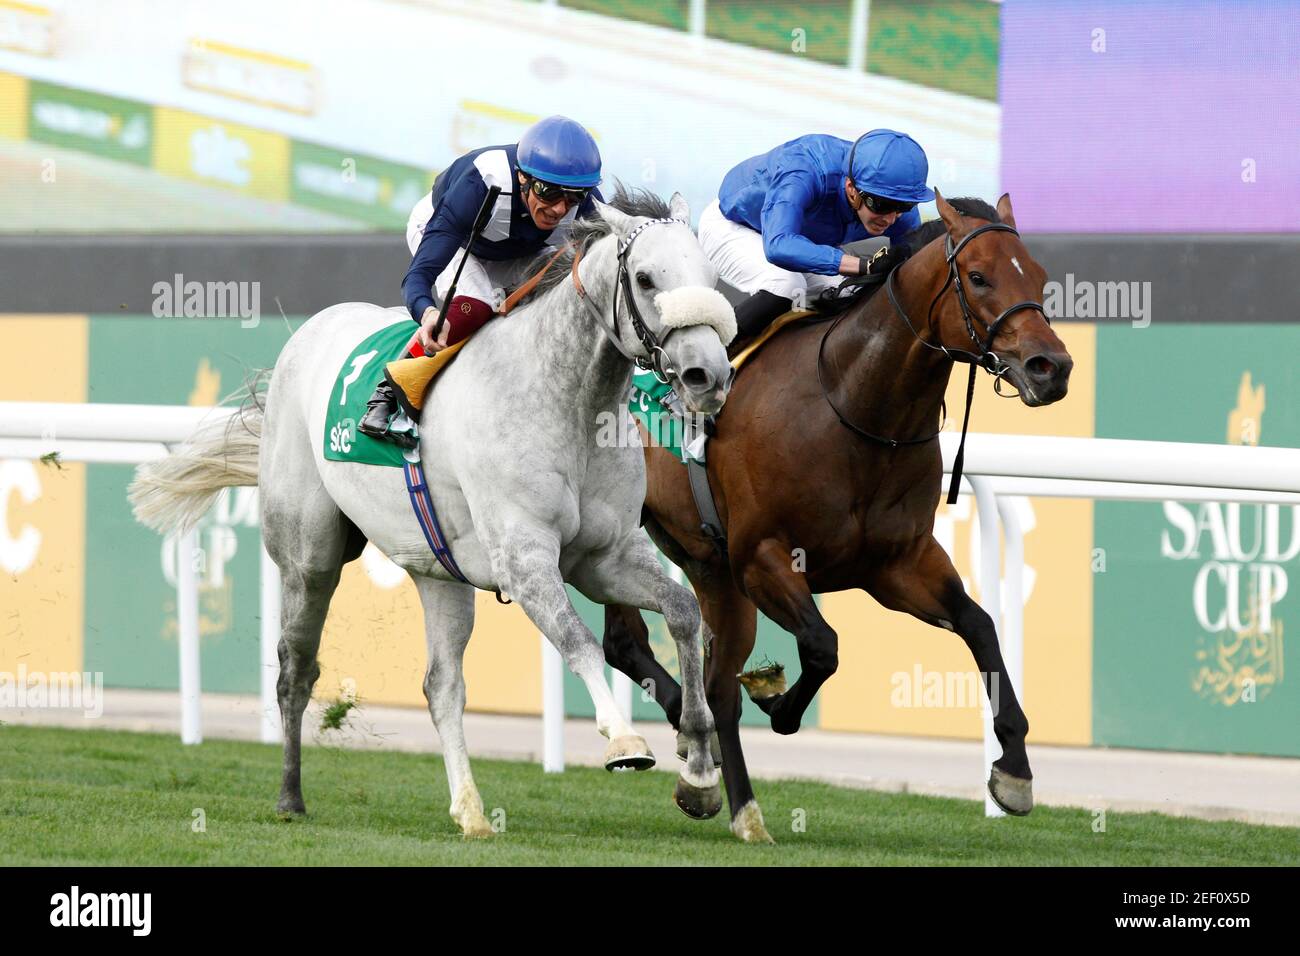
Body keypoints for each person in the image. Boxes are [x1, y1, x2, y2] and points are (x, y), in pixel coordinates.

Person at [359, 115, 603, 447]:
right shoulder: (481, 181)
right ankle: (388, 391)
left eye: (573, 196)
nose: (559, 208)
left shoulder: (586, 203)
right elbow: (419, 275)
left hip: (515, 250)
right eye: (548, 192)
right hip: (452, 237)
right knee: (475, 308)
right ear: (522, 178)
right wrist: (428, 312)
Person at [697, 129, 935, 341]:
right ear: (852, 189)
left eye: (903, 207)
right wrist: (862, 265)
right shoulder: (805, 169)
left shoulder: (893, 206)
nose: (891, 218)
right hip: (734, 226)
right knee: (787, 285)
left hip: (802, 242)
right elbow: (779, 245)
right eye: (881, 205)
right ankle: (702, 363)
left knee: (850, 293)